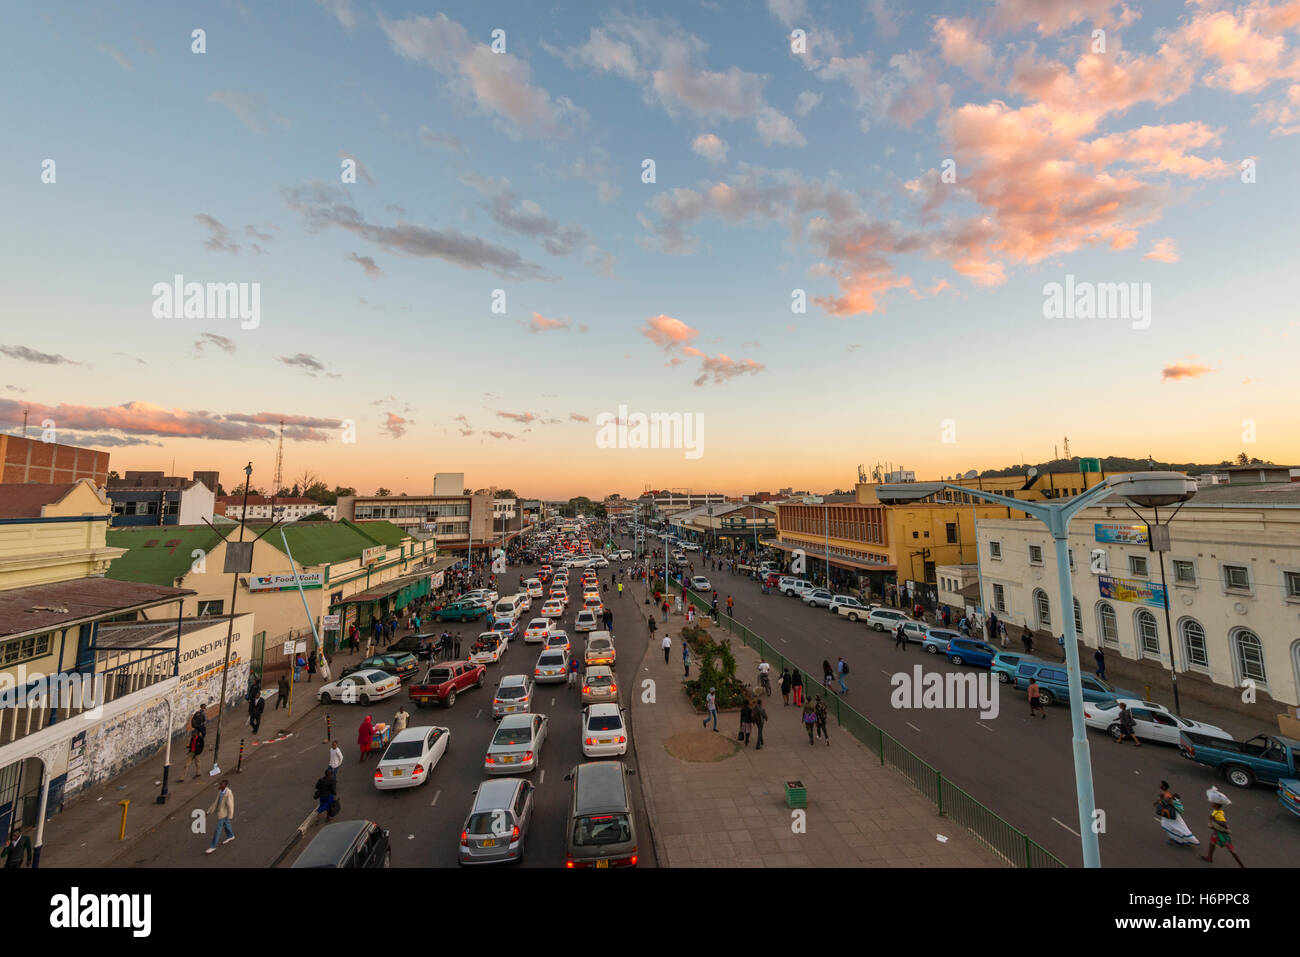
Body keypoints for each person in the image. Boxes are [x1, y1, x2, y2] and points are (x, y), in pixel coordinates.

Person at [1201, 795, 1244, 866]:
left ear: (1216, 805)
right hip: (1216, 832)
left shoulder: (1219, 814)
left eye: (1213, 803)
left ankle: (1242, 865)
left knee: (1231, 850)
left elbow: (1224, 824)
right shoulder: (1216, 811)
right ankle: (1209, 857)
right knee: (1212, 843)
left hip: (1222, 835)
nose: (1211, 803)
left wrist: (1213, 819)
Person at [205, 780, 235, 854]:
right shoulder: (220, 792)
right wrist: (208, 811)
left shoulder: (228, 793)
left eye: (221, 784)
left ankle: (213, 846)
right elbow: (215, 802)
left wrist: (230, 815)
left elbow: (230, 805)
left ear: (225, 785)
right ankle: (231, 836)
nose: (219, 785)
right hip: (222, 813)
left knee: (217, 830)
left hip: (223, 814)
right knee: (227, 825)